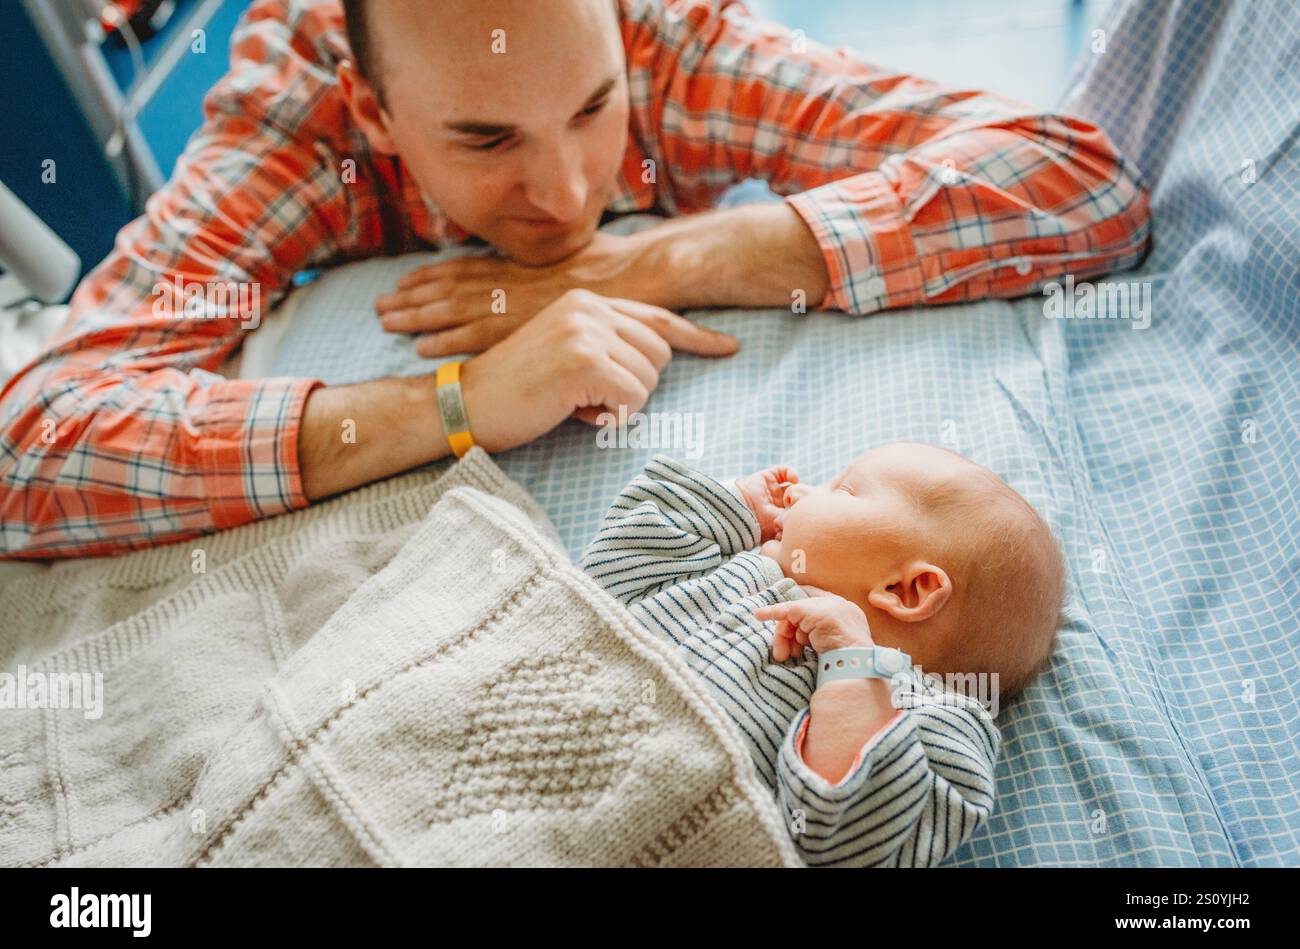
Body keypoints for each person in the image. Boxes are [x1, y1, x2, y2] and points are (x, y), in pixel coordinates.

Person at [0, 0, 1150, 560]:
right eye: (487, 142)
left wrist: (650, 259)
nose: (564, 193)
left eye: (595, 113)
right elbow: (28, 444)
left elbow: (1077, 182)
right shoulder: (299, 118)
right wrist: (452, 405)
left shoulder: (666, 43)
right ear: (374, 116)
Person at [579, 443, 1064, 864]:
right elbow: (599, 586)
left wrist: (854, 666)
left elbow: (839, 840)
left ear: (907, 589)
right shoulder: (737, 568)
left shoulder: (928, 720)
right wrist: (733, 506)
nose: (800, 491)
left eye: (844, 490)